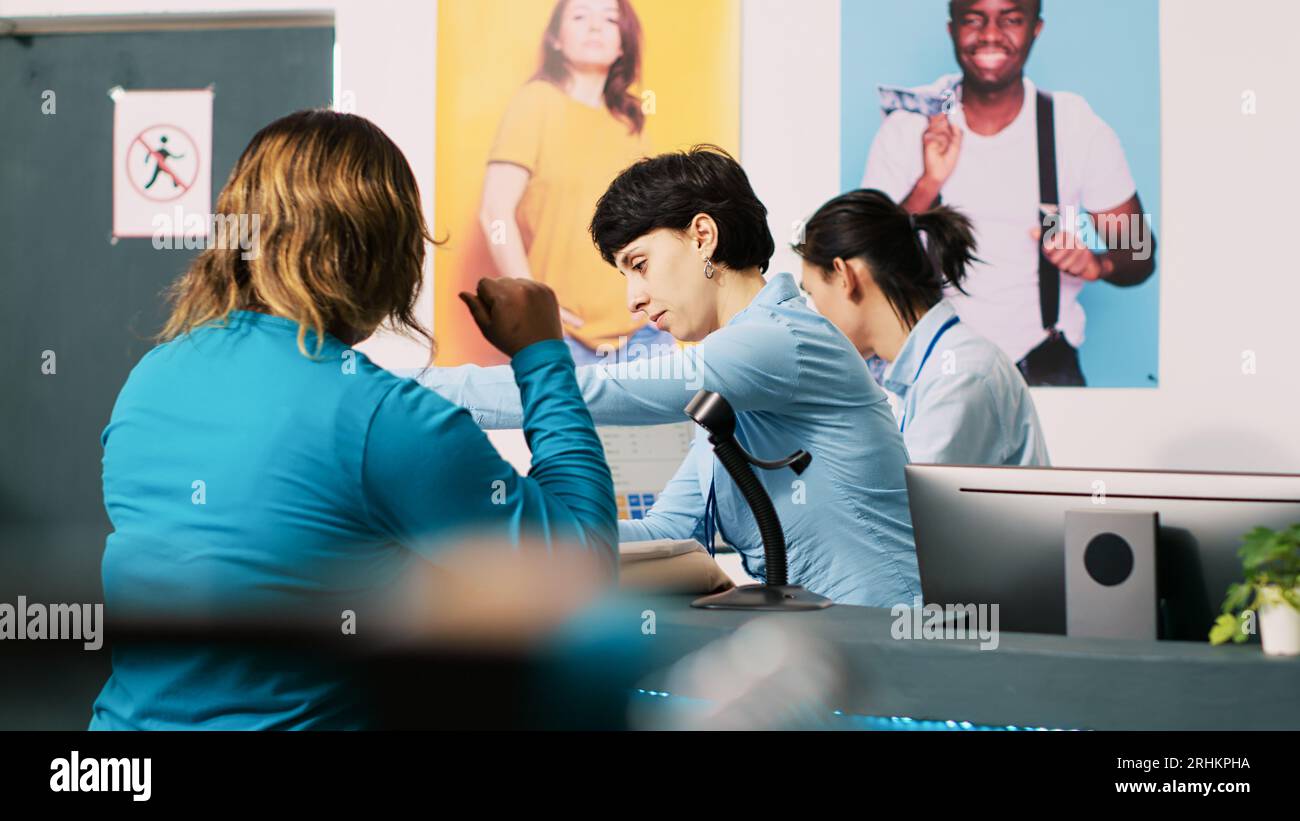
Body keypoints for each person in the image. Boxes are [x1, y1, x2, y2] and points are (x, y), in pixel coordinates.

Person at [89, 110, 616, 730]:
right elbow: (581, 573)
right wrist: (542, 354)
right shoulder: (384, 419)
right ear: (381, 251)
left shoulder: (151, 378)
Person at [421, 146, 920, 608]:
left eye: (639, 265)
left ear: (703, 236)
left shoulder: (781, 340)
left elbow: (598, 390)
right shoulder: (731, 384)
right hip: (824, 644)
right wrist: (514, 534)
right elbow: (668, 532)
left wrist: (393, 390)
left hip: (890, 640)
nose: (632, 300)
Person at [861, 0, 1156, 386]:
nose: (990, 34)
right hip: (930, 368)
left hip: (1044, 367)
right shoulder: (907, 127)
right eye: (973, 19)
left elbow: (1140, 253)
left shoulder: (1074, 125)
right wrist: (927, 184)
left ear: (1036, 28)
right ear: (952, 29)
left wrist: (1097, 265)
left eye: (1012, 19)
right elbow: (859, 258)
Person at [479, 0, 673, 365]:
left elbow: (652, 224)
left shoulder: (632, 120)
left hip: (644, 332)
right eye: (580, 15)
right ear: (555, 38)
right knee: (563, 424)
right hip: (562, 336)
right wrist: (532, 304)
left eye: (610, 18)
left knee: (676, 423)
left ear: (623, 43)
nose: (596, 26)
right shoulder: (534, 103)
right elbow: (494, 212)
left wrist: (657, 293)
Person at [794, 189, 1049, 466]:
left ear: (845, 276)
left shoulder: (960, 374)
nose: (815, 312)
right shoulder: (922, 372)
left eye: (811, 293)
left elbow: (901, 505)